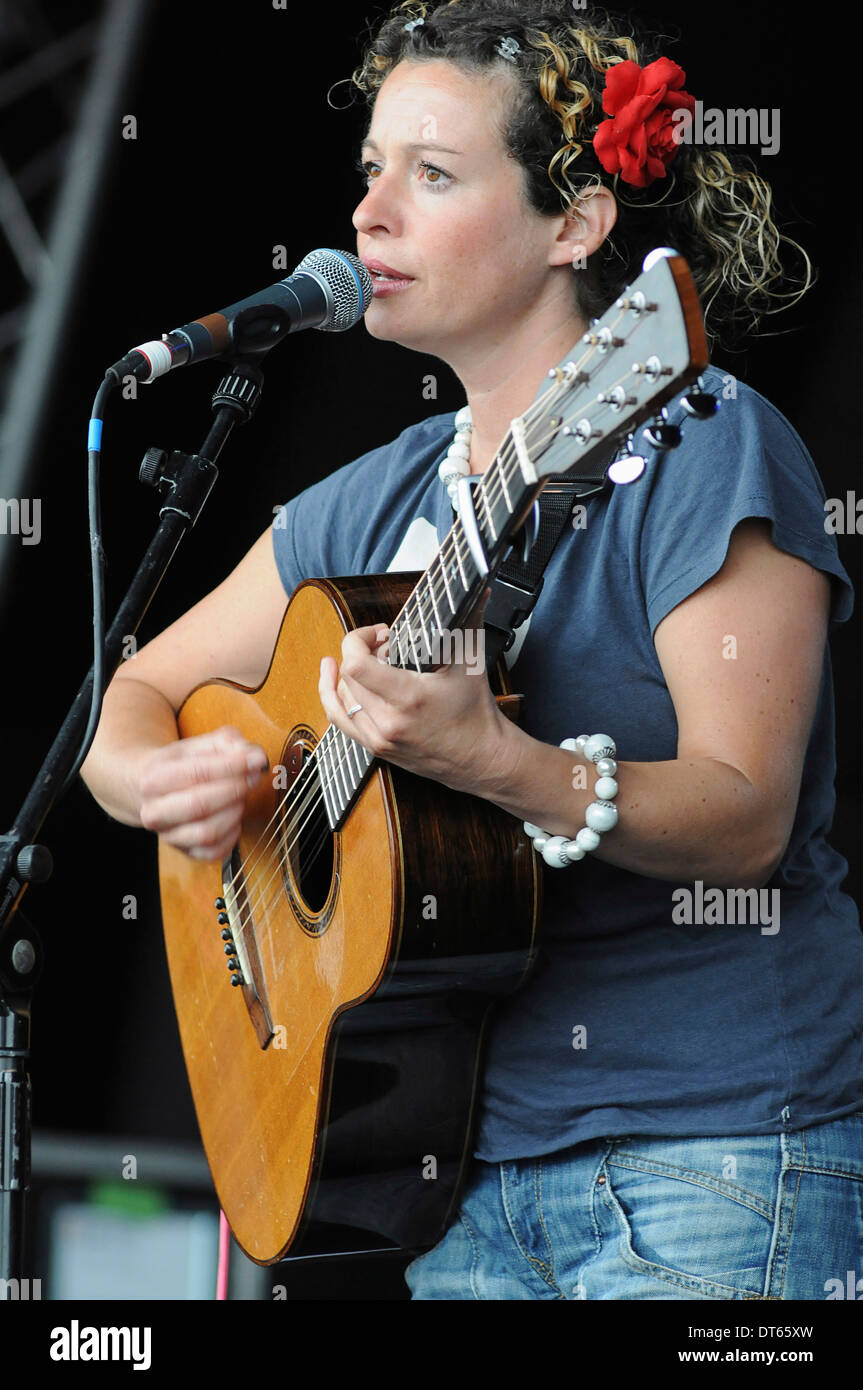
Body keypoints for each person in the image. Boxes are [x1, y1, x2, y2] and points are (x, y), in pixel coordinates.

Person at [80, 1, 863, 1300]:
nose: (371, 214)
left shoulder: (696, 435)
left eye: (433, 175)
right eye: (371, 171)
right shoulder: (374, 500)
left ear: (575, 224)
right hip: (453, 1177)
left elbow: (747, 819)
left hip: (711, 1157)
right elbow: (134, 695)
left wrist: (497, 759)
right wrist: (160, 781)